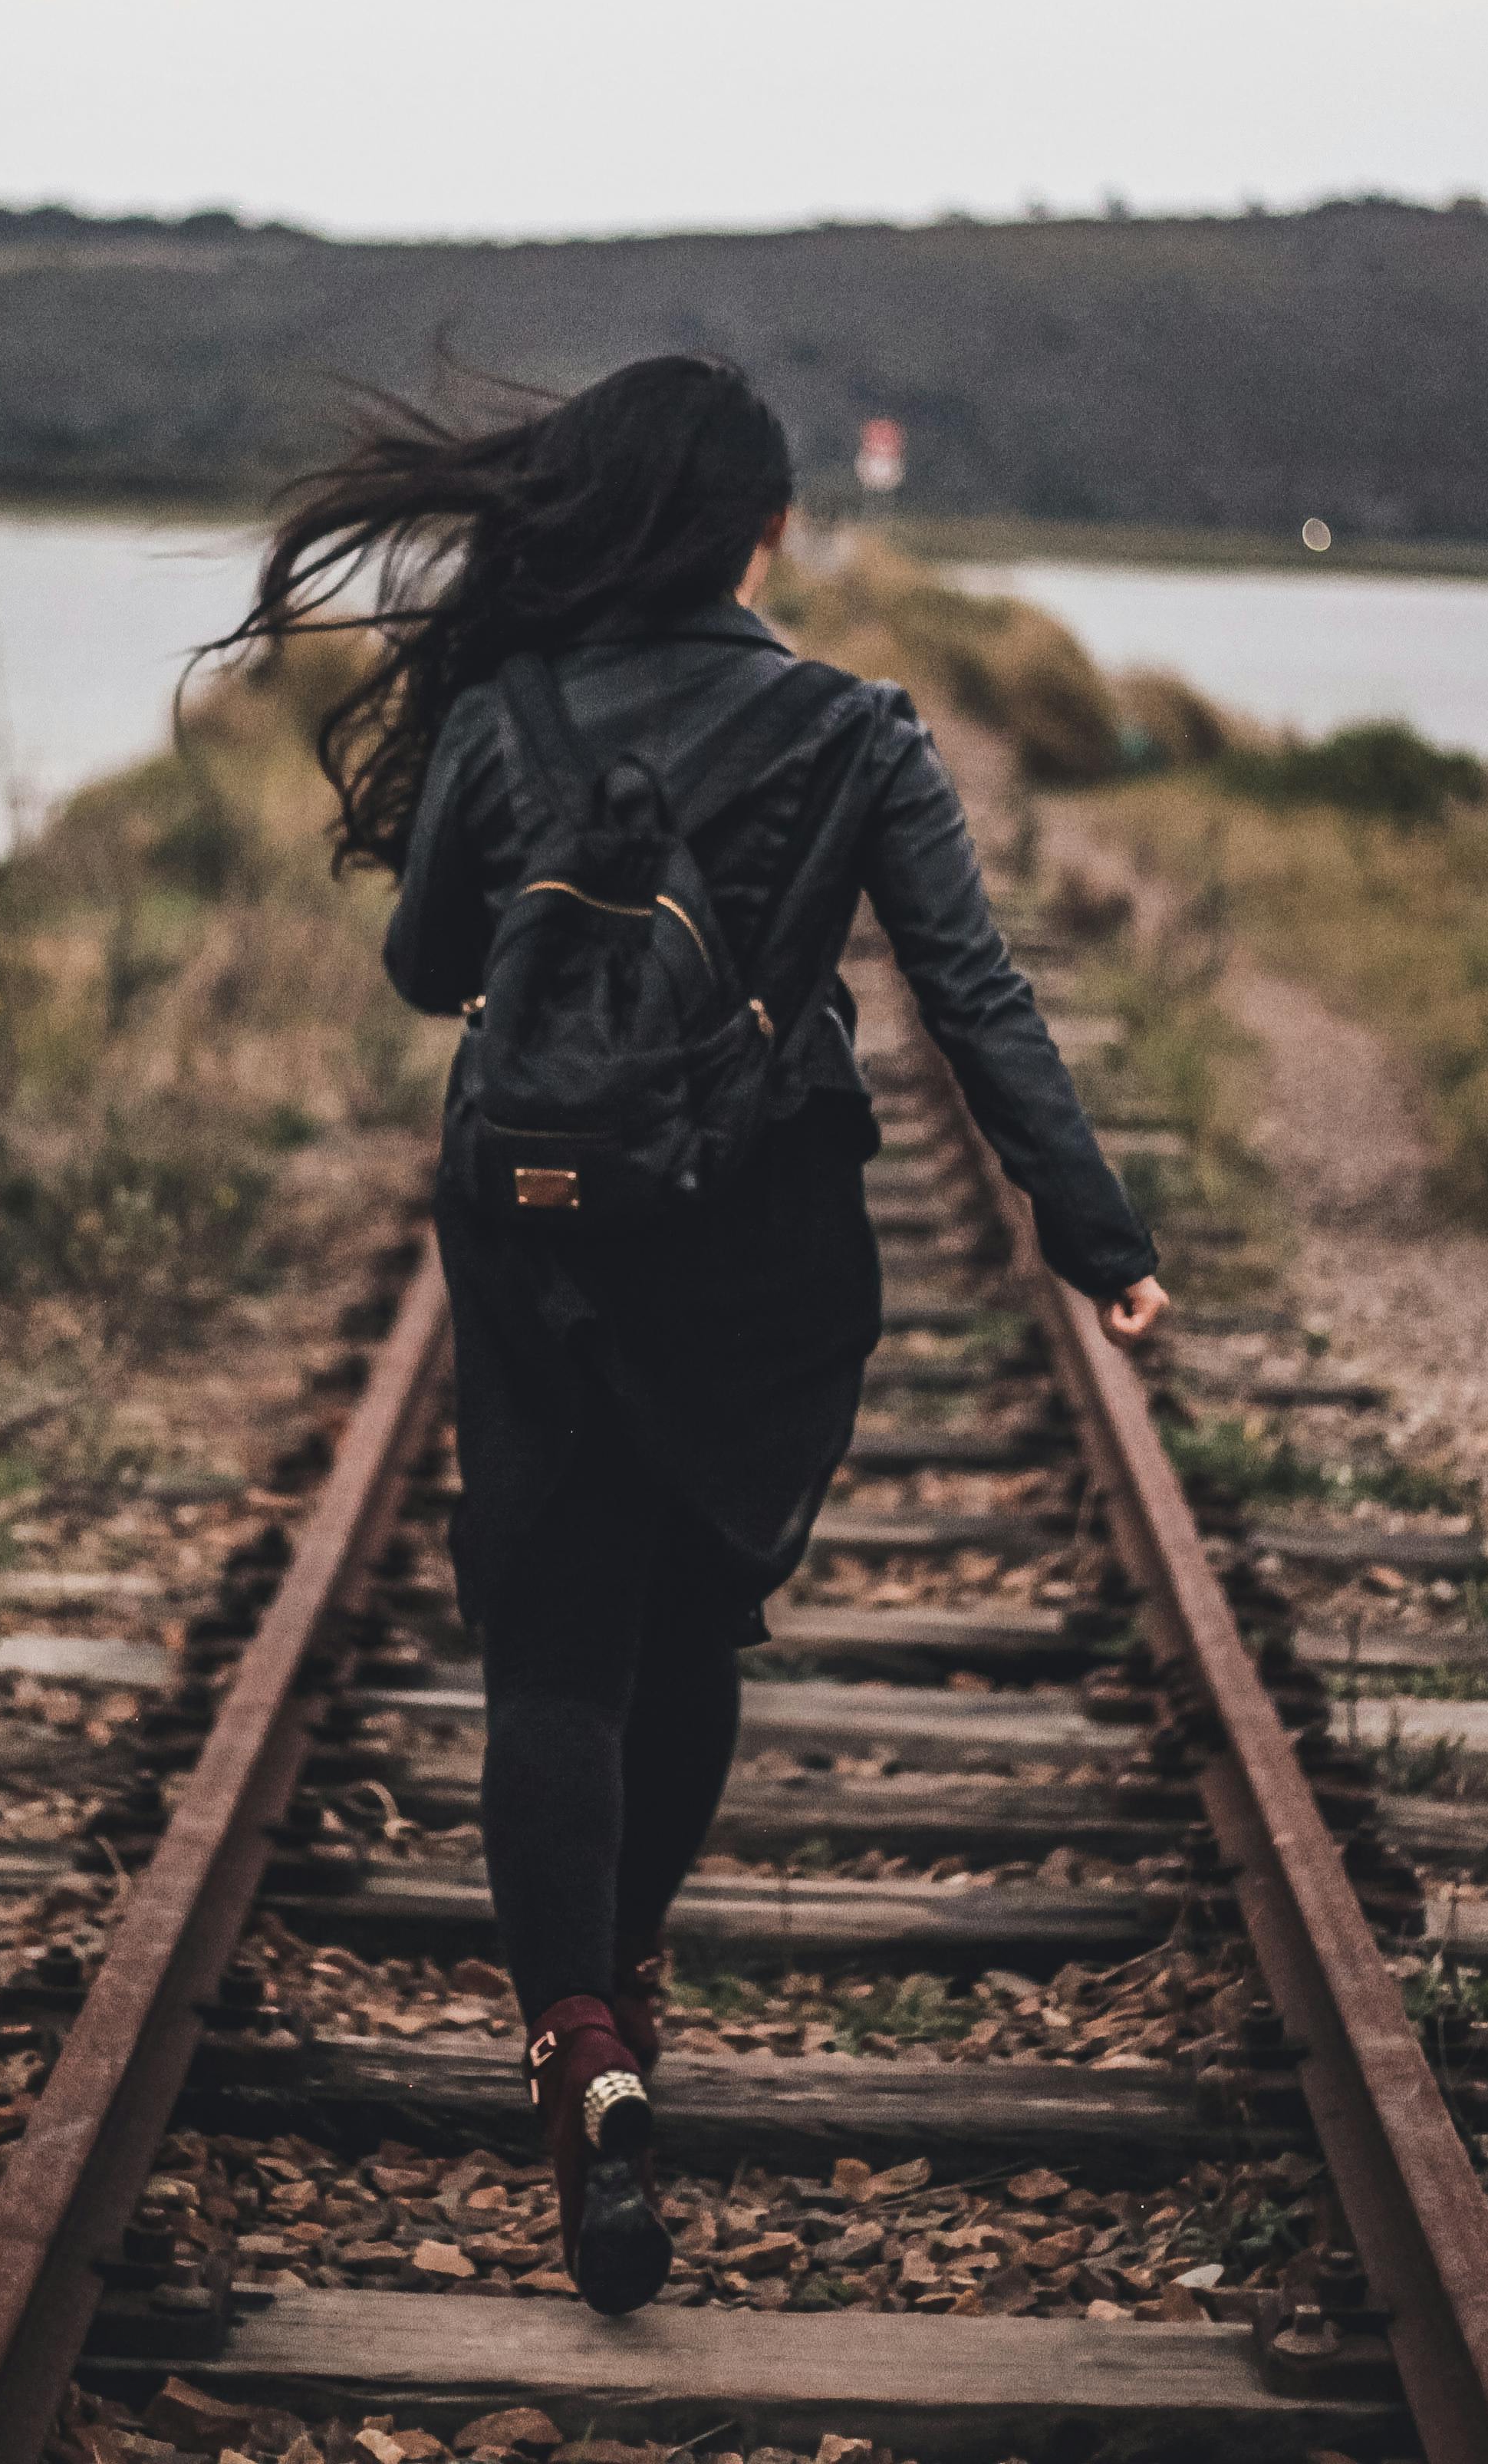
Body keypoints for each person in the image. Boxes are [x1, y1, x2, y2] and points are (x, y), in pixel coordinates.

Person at [212, 354, 1165, 2314]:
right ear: (768, 527)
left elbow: (428, 973)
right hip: (760, 1243)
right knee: (693, 1627)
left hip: (538, 1230)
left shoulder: (504, 706)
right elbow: (977, 1002)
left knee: (553, 1650)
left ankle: (579, 2034)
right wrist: (1096, 1235)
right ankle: (625, 1976)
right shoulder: (859, 730)